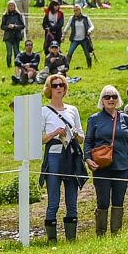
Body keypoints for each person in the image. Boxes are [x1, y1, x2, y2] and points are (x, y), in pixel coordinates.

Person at [84, 84, 128, 236]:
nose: (110, 99)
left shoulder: (125, 118)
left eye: (114, 96)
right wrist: (88, 159)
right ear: (102, 100)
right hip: (101, 166)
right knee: (102, 201)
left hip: (121, 165)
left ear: (118, 99)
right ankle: (100, 233)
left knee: (118, 200)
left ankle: (116, 232)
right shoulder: (94, 119)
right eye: (107, 97)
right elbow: (88, 141)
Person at [39, 74, 82, 242]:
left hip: (70, 153)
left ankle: (71, 239)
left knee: (72, 199)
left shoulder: (73, 110)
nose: (58, 88)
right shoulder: (43, 111)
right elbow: (39, 139)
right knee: (53, 201)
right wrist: (55, 133)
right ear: (49, 89)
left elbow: (82, 136)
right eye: (55, 85)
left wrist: (77, 134)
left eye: (61, 85)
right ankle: (52, 240)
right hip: (54, 155)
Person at [0, 0, 25, 68]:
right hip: (8, 36)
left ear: (15, 6)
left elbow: (22, 26)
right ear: (8, 7)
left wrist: (15, 26)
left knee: (17, 52)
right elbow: (2, 26)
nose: (11, 7)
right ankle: (8, 65)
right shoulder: (5, 15)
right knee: (9, 53)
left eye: (12, 5)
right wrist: (8, 27)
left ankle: (17, 65)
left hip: (16, 36)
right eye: (10, 5)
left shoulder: (18, 15)